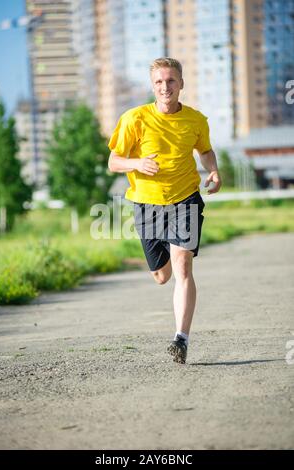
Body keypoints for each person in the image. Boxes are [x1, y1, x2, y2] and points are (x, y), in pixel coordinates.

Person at [108, 57, 221, 364]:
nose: (165, 87)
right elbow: (113, 161)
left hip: (185, 198)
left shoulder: (196, 120)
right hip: (146, 203)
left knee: (183, 267)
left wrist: (213, 171)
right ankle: (163, 265)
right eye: (159, 82)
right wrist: (137, 163)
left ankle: (181, 339)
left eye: (171, 81)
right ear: (152, 85)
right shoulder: (134, 118)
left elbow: (206, 150)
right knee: (162, 275)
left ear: (181, 84)